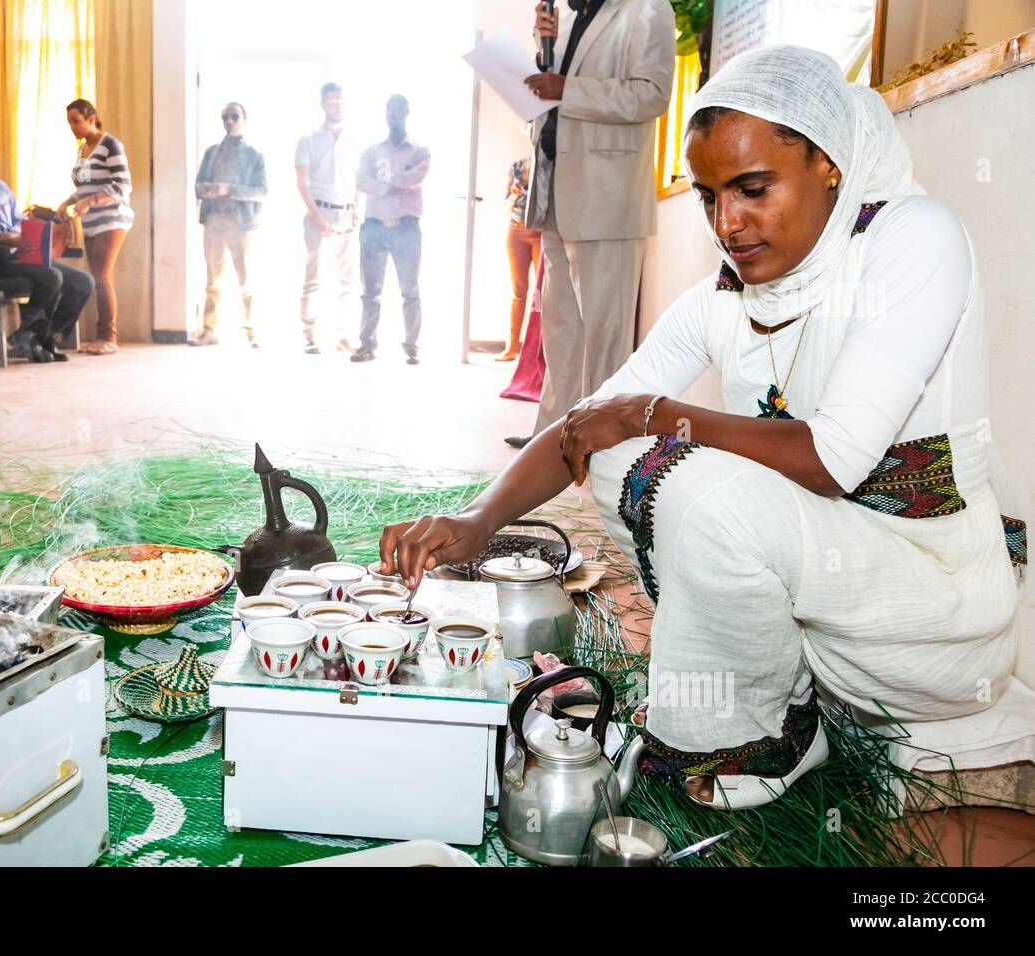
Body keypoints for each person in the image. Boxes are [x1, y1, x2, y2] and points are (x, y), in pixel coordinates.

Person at [378, 46, 1023, 812]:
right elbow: (587, 429)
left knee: (699, 490)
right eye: (711, 196)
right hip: (821, 602)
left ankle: (768, 740)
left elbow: (832, 458)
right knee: (619, 455)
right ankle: (785, 708)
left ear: (830, 164)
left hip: (925, 617)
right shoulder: (729, 292)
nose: (728, 223)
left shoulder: (916, 237)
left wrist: (654, 415)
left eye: (753, 189)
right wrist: (480, 521)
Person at [506, 0, 675, 446]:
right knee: (559, 329)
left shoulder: (647, 10)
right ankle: (550, 438)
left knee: (605, 337)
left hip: (607, 196)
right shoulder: (563, 21)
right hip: (557, 190)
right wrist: (537, 54)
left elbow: (652, 94)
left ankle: (600, 443)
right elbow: (545, 100)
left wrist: (566, 87)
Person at [0, 133, 94, 363]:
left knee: (83, 282)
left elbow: (19, 222)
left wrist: (19, 236)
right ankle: (25, 337)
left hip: (17, 257)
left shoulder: (1, 189)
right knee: (51, 276)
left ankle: (44, 336)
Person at [352, 94, 429, 366]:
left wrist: (386, 182)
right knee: (370, 291)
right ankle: (366, 344)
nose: (392, 114)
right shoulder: (372, 151)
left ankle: (411, 346)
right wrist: (389, 186)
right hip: (373, 226)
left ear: (407, 112)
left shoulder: (419, 151)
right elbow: (361, 179)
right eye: (388, 110)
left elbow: (416, 177)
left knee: (410, 289)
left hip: (407, 228)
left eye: (397, 110)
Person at [58, 99, 133, 355]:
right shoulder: (83, 150)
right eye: (69, 122)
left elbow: (122, 185)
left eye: (76, 121)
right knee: (97, 277)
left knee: (102, 276)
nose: (73, 127)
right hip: (90, 223)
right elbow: (84, 187)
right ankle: (101, 336)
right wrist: (68, 202)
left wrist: (90, 201)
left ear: (91, 119)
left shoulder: (110, 144)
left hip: (112, 220)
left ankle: (108, 337)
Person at [191, 102, 267, 348]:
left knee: (246, 279)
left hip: (241, 223)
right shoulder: (212, 152)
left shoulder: (254, 155)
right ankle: (209, 330)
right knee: (212, 279)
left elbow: (262, 191)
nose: (230, 121)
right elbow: (198, 184)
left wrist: (229, 190)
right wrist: (207, 190)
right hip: (214, 219)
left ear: (244, 119)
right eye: (225, 117)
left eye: (234, 117)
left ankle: (251, 330)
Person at [295, 82, 357, 355]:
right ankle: (310, 335)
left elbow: (359, 178)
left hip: (345, 212)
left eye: (341, 101)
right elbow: (302, 183)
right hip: (317, 211)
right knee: (314, 277)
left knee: (346, 279)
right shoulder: (308, 139)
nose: (337, 106)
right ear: (322, 103)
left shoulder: (354, 138)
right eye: (332, 101)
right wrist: (317, 217)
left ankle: (343, 334)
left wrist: (357, 208)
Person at [499, 157, 540, 363]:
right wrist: (513, 195)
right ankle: (512, 348)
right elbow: (505, 202)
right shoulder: (516, 166)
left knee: (541, 294)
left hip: (541, 232)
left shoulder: (548, 162)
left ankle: (536, 350)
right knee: (518, 291)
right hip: (515, 230)